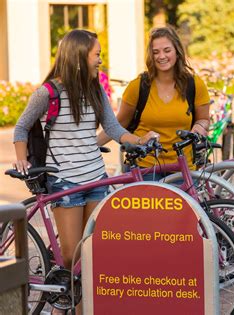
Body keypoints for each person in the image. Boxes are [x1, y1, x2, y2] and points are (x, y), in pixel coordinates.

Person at [12, 29, 158, 314]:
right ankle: (61, 302)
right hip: (65, 182)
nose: (100, 60)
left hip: (96, 178)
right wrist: (22, 160)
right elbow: (21, 127)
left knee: (90, 256)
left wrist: (139, 140)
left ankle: (81, 310)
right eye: (97, 54)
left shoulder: (95, 89)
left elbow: (113, 128)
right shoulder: (48, 93)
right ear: (79, 56)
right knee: (71, 255)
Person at [98, 26, 211, 179]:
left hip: (182, 169)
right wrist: (89, 146)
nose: (161, 56)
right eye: (155, 52)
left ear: (177, 51)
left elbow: (203, 119)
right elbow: (117, 125)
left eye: (167, 50)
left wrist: (199, 127)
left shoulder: (194, 84)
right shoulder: (138, 86)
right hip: (143, 169)